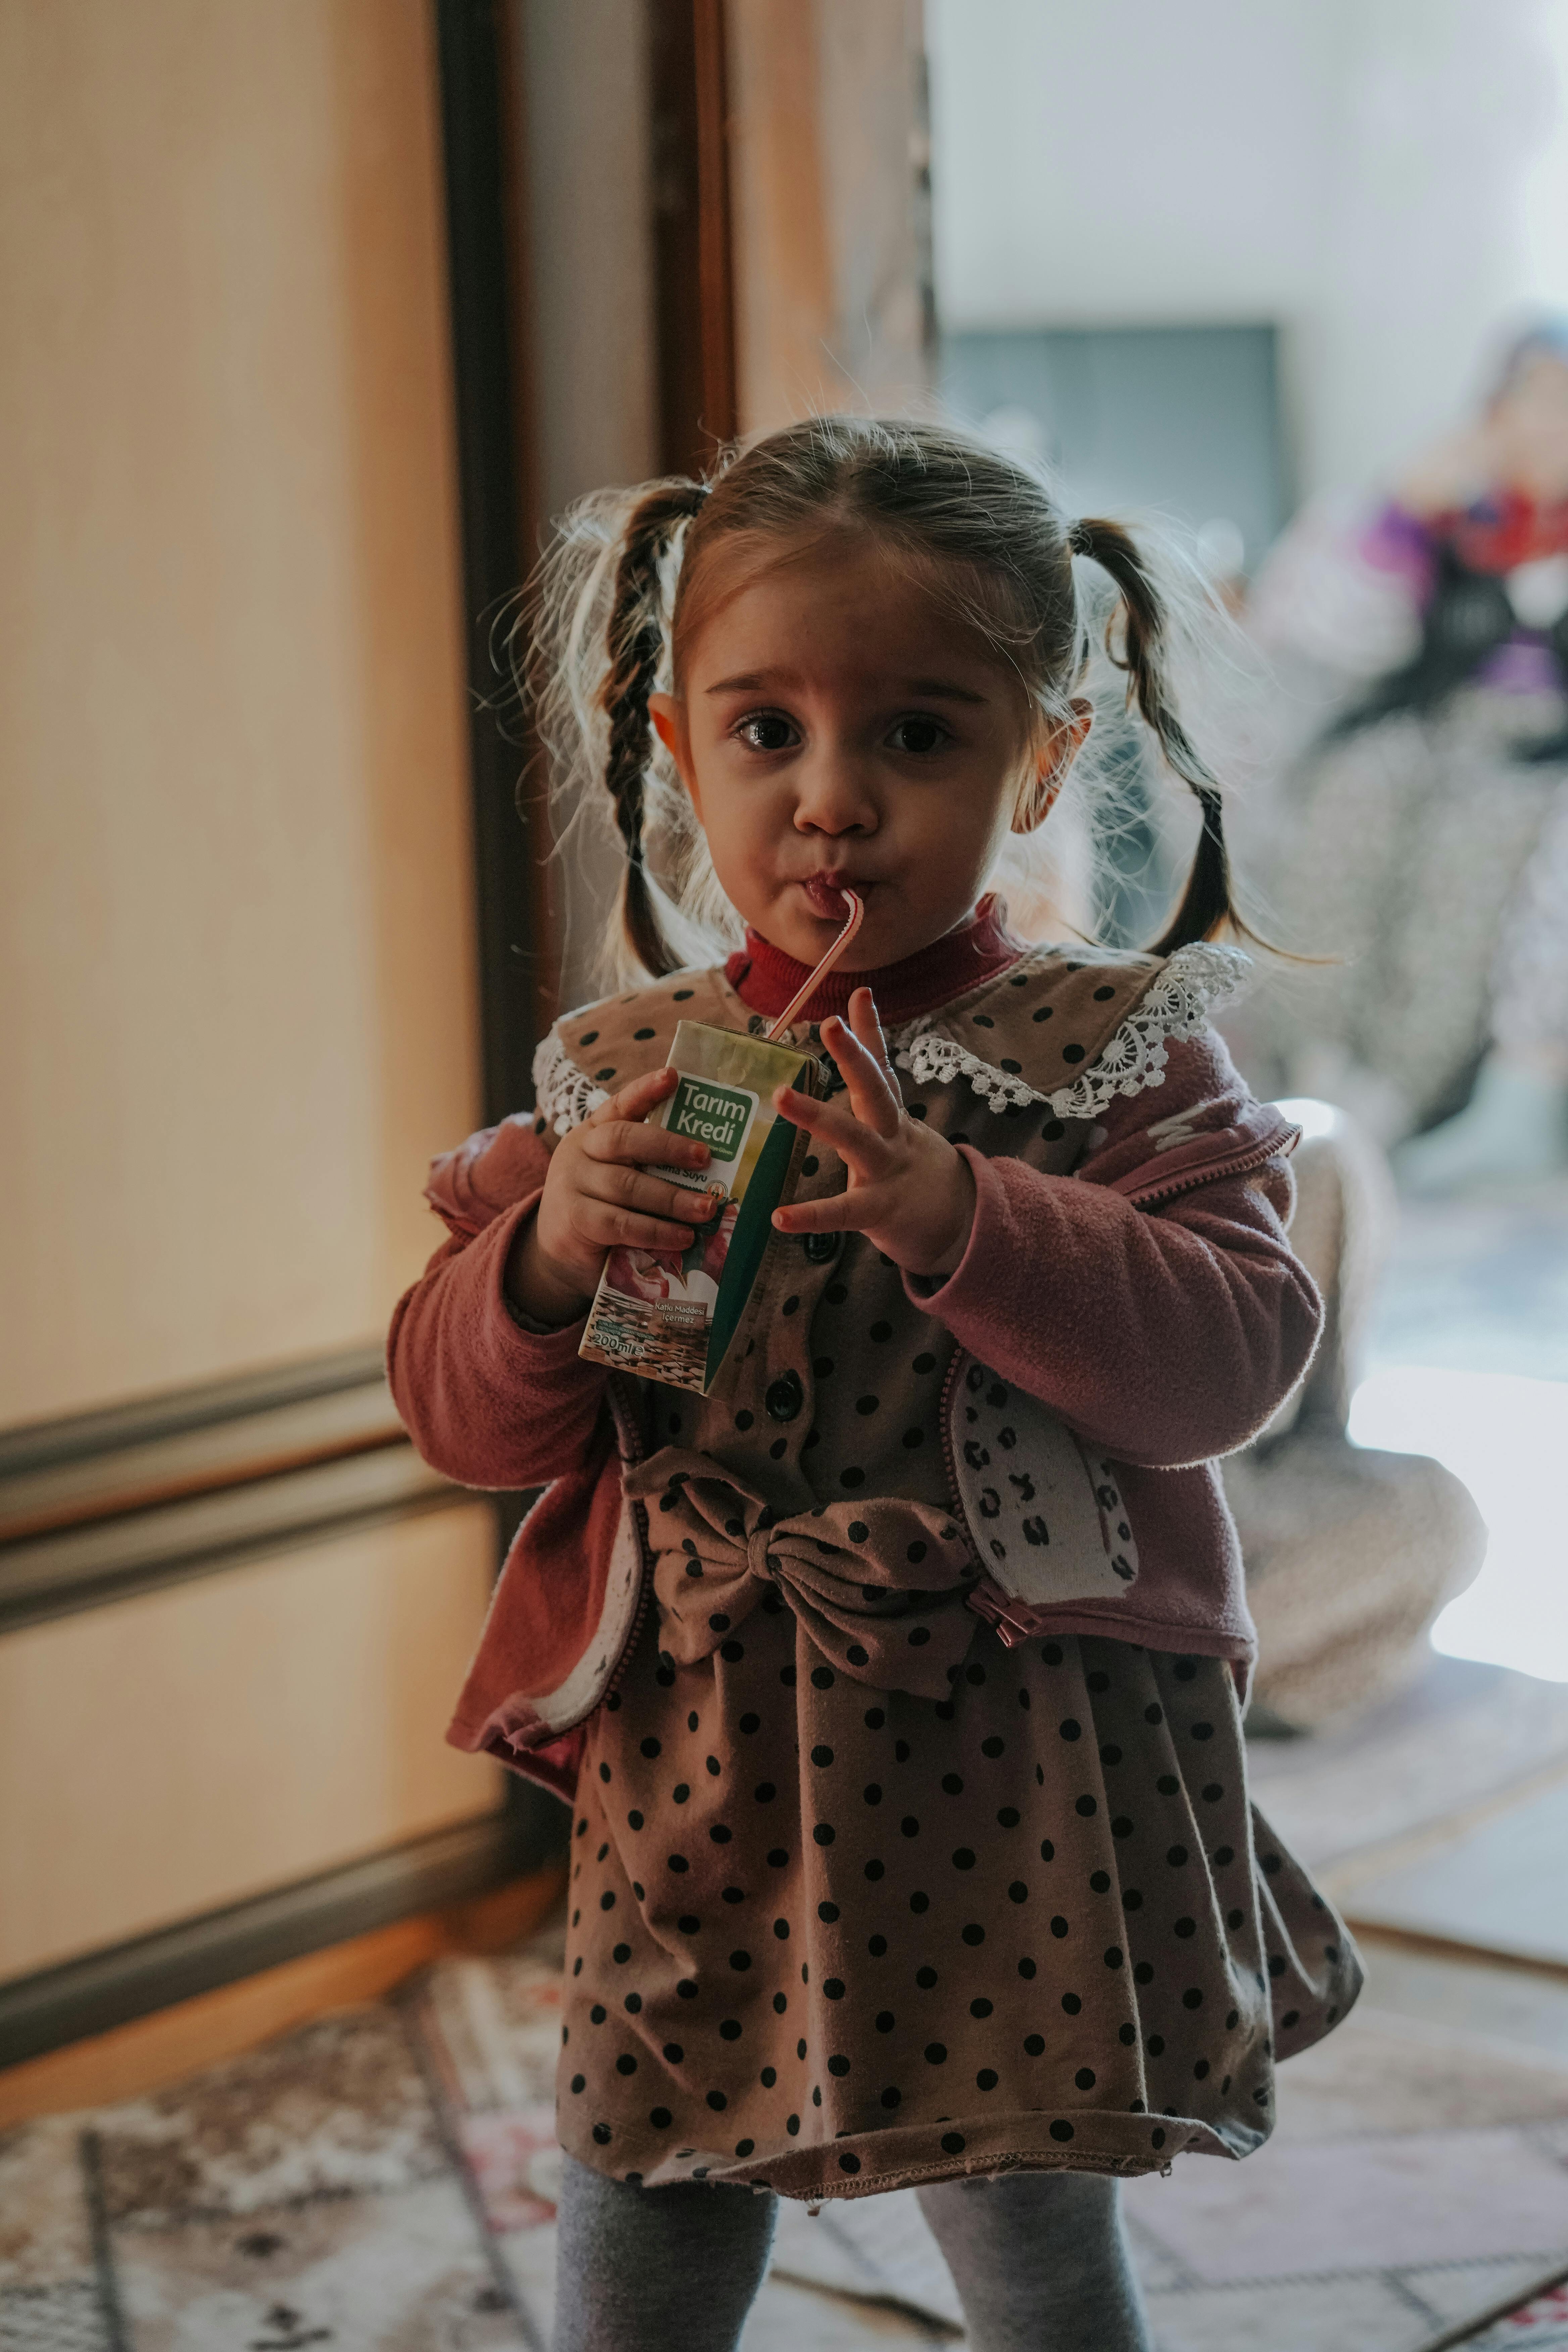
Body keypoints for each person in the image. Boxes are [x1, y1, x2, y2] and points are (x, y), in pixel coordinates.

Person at [387, 418, 1360, 2352]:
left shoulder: (1115, 1059)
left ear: (1042, 757)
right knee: (646, 2198)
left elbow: (1230, 1362)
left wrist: (964, 1216)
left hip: (1013, 1765)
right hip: (697, 1767)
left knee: (1023, 2224)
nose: (833, 802)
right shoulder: (620, 1078)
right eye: (768, 733)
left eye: (919, 734)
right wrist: (550, 1261)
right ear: (678, 751)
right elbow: (459, 1416)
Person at [1236, 322, 1568, 1188]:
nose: (1546, 429)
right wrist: (1404, 514)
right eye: (1529, 403)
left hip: (1533, 757)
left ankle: (1394, 1092)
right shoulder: (1448, 517)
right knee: (1354, 791)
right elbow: (1327, 632)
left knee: (1480, 850)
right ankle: (1312, 1065)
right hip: (1424, 721)